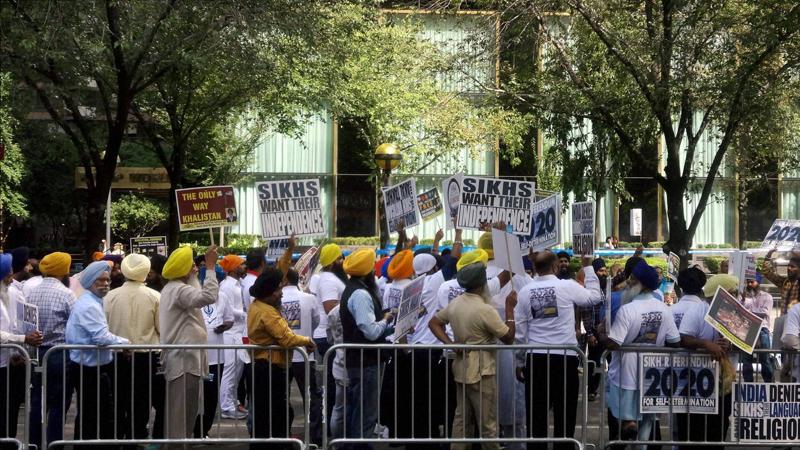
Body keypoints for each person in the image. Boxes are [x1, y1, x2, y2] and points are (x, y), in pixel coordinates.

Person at [515, 250, 603, 450]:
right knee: (565, 414)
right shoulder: (566, 286)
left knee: (536, 416)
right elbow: (594, 297)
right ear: (555, 266)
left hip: (536, 358)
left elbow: (520, 332)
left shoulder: (525, 292)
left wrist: (520, 362)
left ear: (535, 268)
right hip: (564, 358)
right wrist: (588, 266)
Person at [429, 261, 516, 450]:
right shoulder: (484, 309)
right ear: (482, 284)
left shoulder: (456, 303)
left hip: (461, 367)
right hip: (482, 370)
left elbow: (434, 323)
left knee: (461, 419)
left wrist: (450, 344)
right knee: (487, 422)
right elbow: (508, 337)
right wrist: (509, 309)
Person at [599, 260, 681, 448]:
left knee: (624, 426)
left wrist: (602, 332)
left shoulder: (627, 310)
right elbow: (675, 341)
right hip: (653, 377)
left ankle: (630, 425)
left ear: (640, 284)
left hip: (626, 376)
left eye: (632, 280)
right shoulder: (664, 309)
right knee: (647, 425)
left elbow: (613, 343)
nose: (628, 282)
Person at [247, 267, 315, 450]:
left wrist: (290, 250)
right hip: (270, 370)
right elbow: (286, 338)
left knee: (268, 414)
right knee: (275, 414)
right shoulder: (267, 312)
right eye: (277, 290)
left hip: (265, 368)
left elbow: (276, 271)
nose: (281, 294)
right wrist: (306, 340)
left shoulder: (257, 304)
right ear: (268, 292)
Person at [159, 245, 219, 444]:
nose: (195, 268)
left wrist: (198, 274)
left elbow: (197, 293)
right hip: (183, 363)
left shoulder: (175, 288)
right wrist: (210, 268)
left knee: (184, 415)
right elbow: (208, 297)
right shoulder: (179, 290)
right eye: (192, 265)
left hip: (185, 362)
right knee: (181, 417)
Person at [66, 261, 130, 448]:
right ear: (91, 282)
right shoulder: (89, 305)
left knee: (92, 412)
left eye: (107, 280)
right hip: (89, 368)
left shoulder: (93, 301)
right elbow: (101, 337)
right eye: (101, 280)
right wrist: (126, 343)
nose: (106, 284)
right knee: (92, 413)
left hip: (92, 366)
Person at [103, 253, 164, 441]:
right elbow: (161, 328)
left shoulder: (109, 296)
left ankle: (118, 436)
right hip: (146, 357)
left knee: (118, 399)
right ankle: (136, 436)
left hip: (116, 356)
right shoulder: (155, 296)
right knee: (141, 400)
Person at [677, 274, 739, 450]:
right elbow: (683, 338)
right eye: (732, 293)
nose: (736, 298)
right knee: (693, 432)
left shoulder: (733, 313)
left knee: (717, 432)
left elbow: (749, 342)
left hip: (722, 386)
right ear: (721, 294)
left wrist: (731, 343)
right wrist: (706, 344)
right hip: (696, 385)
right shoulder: (698, 311)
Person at [340, 248, 394, 450]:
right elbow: (370, 331)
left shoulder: (354, 288)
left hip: (363, 361)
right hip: (366, 363)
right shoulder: (361, 294)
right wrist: (386, 320)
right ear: (369, 271)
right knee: (365, 412)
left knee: (360, 410)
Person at [27, 251, 76, 449]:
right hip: (58, 353)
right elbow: (75, 323)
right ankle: (55, 444)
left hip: (35, 353)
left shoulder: (30, 291)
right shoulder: (66, 294)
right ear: (64, 270)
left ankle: (34, 443)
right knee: (58, 403)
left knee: (37, 402)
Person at [1, 253, 43, 449]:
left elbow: (15, 325)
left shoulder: (10, 292)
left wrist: (19, 350)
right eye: (8, 272)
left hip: (12, 362)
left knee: (11, 410)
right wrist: (22, 340)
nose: (12, 275)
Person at [281, 268, 322, 445]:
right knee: (312, 397)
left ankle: (282, 433)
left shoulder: (276, 299)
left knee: (281, 396)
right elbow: (316, 321)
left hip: (283, 356)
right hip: (304, 355)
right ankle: (315, 437)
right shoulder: (309, 298)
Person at [195, 267, 232, 438]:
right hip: (197, 356)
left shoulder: (223, 297)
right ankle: (191, 429)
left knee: (211, 396)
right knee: (195, 396)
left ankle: (203, 430)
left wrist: (224, 326)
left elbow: (229, 319)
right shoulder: (195, 297)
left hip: (217, 357)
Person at [218, 254, 249, 419]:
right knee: (230, 371)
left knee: (237, 370)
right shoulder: (226, 286)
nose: (244, 266)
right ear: (234, 268)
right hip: (231, 333)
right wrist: (247, 314)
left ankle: (233, 402)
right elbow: (227, 309)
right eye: (241, 264)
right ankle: (226, 407)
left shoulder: (238, 284)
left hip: (239, 332)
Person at [581, 257, 608, 401]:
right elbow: (586, 312)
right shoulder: (590, 288)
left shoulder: (606, 288)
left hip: (606, 331)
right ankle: (591, 390)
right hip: (594, 332)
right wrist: (590, 333)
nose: (603, 274)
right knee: (594, 362)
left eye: (605, 271)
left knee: (607, 360)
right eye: (600, 271)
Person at [740, 273, 774, 382]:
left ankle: (769, 385)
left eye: (752, 282)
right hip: (747, 329)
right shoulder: (744, 297)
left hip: (762, 330)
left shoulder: (767, 296)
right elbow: (739, 311)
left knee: (765, 359)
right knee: (746, 360)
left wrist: (748, 312)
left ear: (758, 282)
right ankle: (748, 385)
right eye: (748, 282)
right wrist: (742, 300)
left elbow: (764, 312)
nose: (749, 284)